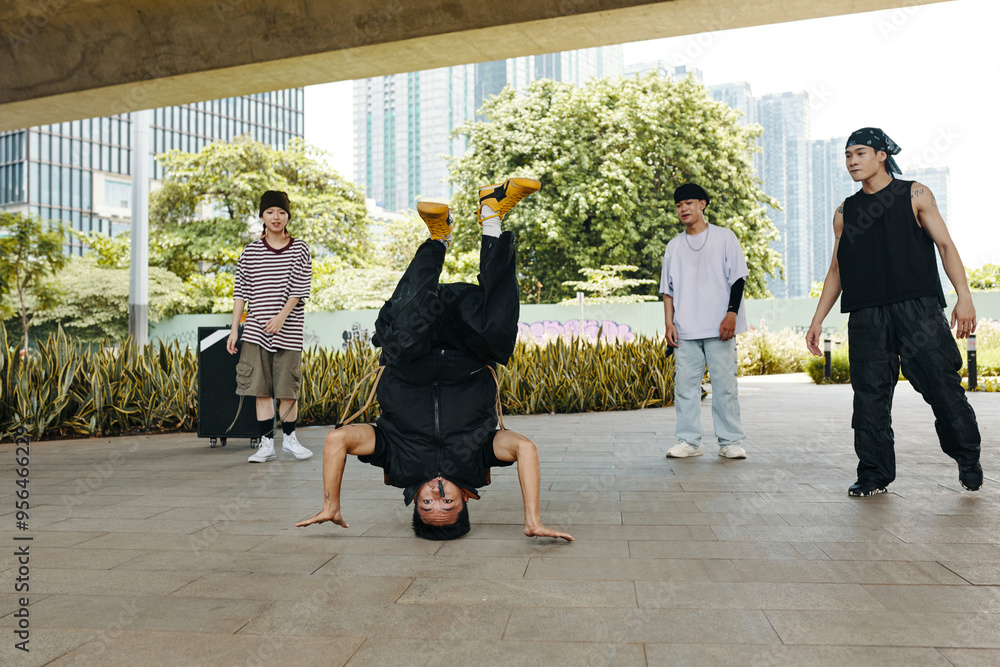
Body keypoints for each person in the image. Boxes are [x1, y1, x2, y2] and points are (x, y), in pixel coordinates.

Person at [296, 178, 574, 541]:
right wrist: (532, 519)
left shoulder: (396, 462)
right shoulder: (477, 464)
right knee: (500, 333)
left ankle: (438, 238)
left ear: (415, 503)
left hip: (414, 346)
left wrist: (330, 503)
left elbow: (338, 440)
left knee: (402, 330)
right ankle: (491, 215)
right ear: (465, 501)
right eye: (448, 506)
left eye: (427, 506)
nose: (437, 497)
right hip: (467, 342)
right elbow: (524, 448)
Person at [805, 128, 982, 496]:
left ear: (882, 155)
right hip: (867, 315)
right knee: (868, 397)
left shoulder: (914, 194)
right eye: (847, 155)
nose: (852, 161)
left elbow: (946, 246)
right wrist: (817, 319)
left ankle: (967, 455)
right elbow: (836, 269)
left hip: (917, 309)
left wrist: (963, 296)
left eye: (860, 153)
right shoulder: (844, 211)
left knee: (942, 387)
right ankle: (873, 474)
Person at [660, 183, 749, 460]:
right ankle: (689, 441)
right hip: (685, 328)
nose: (683, 209)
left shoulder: (725, 238)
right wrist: (669, 324)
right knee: (684, 388)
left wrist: (731, 313)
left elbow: (738, 278)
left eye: (688, 203)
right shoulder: (674, 246)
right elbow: (667, 291)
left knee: (725, 387)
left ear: (703, 204)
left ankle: (730, 441)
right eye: (678, 205)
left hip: (720, 326)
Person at [226, 190, 314, 463]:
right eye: (270, 212)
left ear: (288, 216)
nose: (276, 217)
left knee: (288, 389)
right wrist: (234, 328)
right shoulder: (250, 251)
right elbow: (241, 291)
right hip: (254, 332)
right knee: (260, 389)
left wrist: (281, 317)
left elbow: (300, 288)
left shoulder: (300, 248)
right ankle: (266, 445)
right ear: (262, 216)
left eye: (282, 212)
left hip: (288, 332)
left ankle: (290, 440)